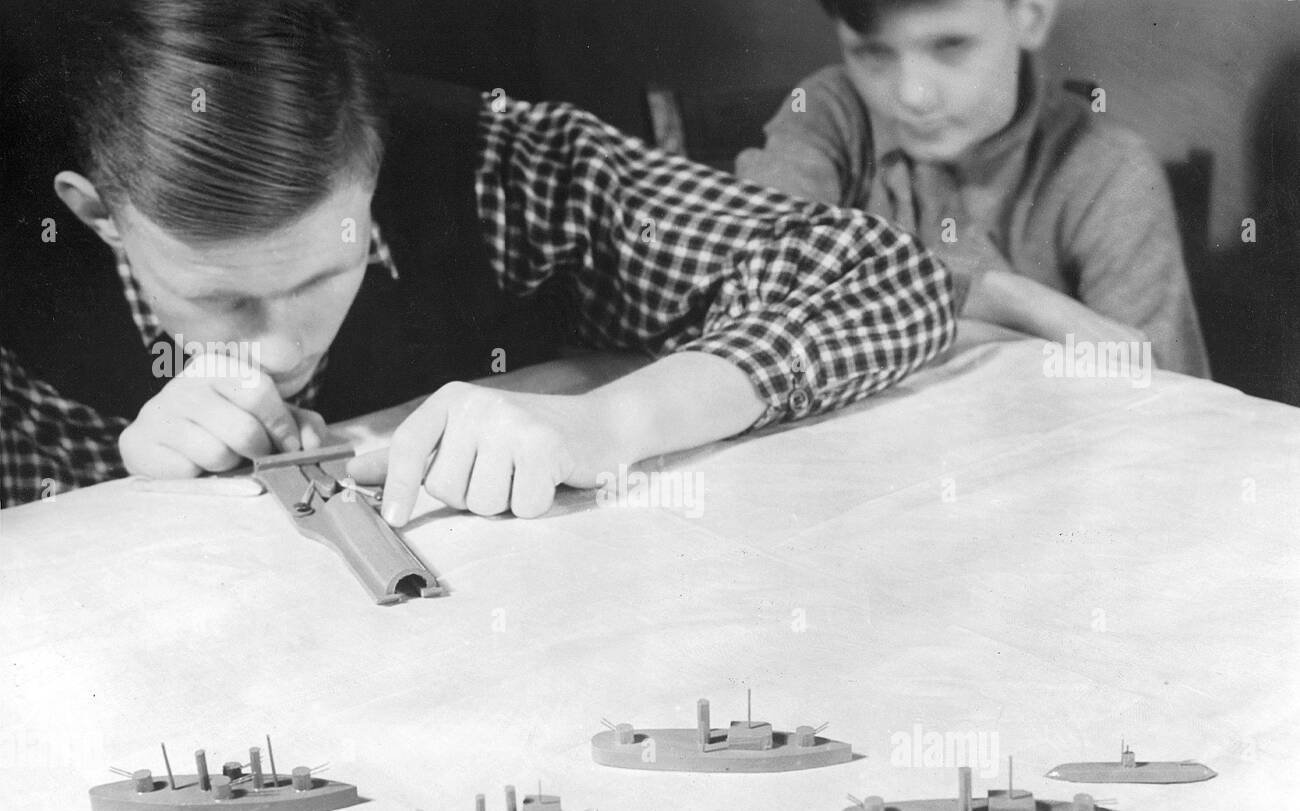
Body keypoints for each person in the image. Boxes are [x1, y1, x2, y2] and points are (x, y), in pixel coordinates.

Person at [0, 0, 957, 519]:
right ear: (98, 217)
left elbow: (879, 276)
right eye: (220, 298)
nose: (284, 351)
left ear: (374, 165)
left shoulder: (497, 160)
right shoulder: (20, 323)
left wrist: (607, 422)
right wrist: (117, 504)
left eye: (323, 274)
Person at [736, 0, 1210, 376]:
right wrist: (1012, 301)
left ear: (1030, 15)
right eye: (873, 52)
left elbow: (1163, 403)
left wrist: (873, 320)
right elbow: (756, 290)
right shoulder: (827, 113)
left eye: (950, 46)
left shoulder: (1110, 170)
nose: (912, 95)